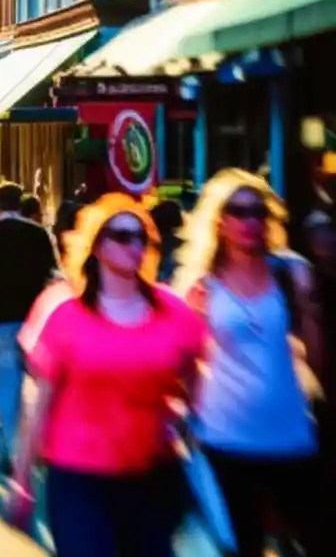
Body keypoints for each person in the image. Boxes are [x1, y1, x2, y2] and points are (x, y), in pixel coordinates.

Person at [11, 194, 205, 556]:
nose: (135, 246)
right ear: (97, 246)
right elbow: (38, 398)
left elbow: (195, 382)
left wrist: (182, 420)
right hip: (78, 476)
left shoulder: (173, 310)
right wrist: (22, 477)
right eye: (122, 236)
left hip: (150, 472)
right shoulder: (65, 312)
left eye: (141, 237)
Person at [172, 169, 329, 556]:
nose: (250, 221)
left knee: (315, 538)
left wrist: (310, 312)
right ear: (220, 221)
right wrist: (190, 413)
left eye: (259, 212)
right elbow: (186, 360)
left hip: (290, 432)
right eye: (239, 212)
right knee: (246, 544)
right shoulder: (202, 287)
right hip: (225, 435)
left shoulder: (292, 273)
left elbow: (317, 353)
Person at [0, 181, 60, 465]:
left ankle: (17, 452)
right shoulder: (38, 234)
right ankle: (46, 444)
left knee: (6, 391)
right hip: (36, 324)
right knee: (46, 387)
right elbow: (54, 279)